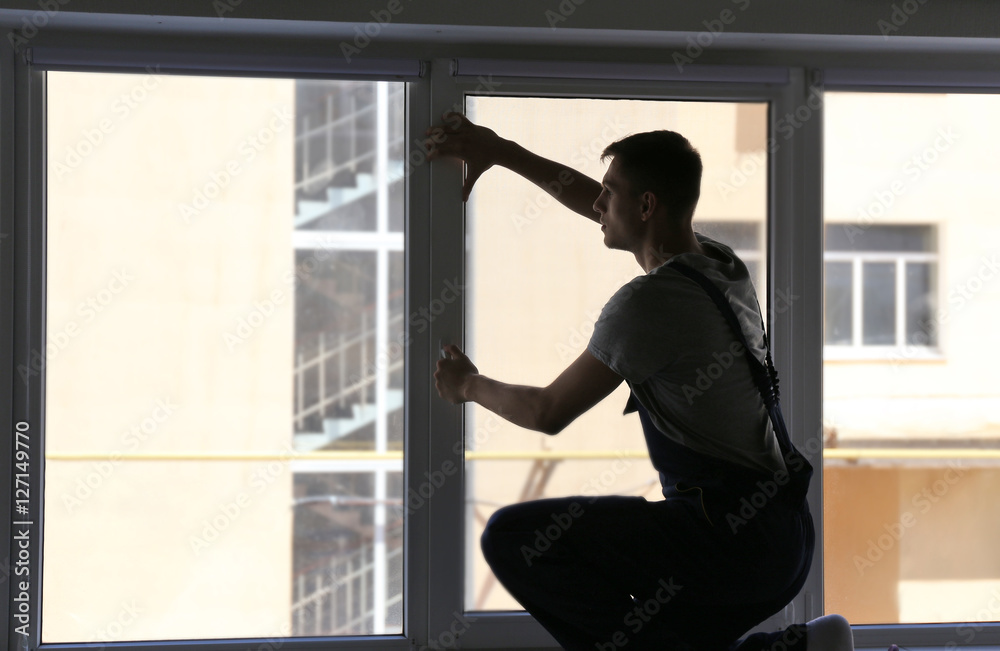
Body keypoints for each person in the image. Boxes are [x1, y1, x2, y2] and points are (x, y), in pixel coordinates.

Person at [427, 112, 855, 651]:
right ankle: (802, 648)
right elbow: (603, 206)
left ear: (648, 205)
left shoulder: (648, 305)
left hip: (728, 543)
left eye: (611, 192)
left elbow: (548, 411)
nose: (599, 205)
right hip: (783, 537)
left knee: (517, 540)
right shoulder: (720, 265)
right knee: (671, 640)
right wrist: (504, 152)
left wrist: (467, 385)